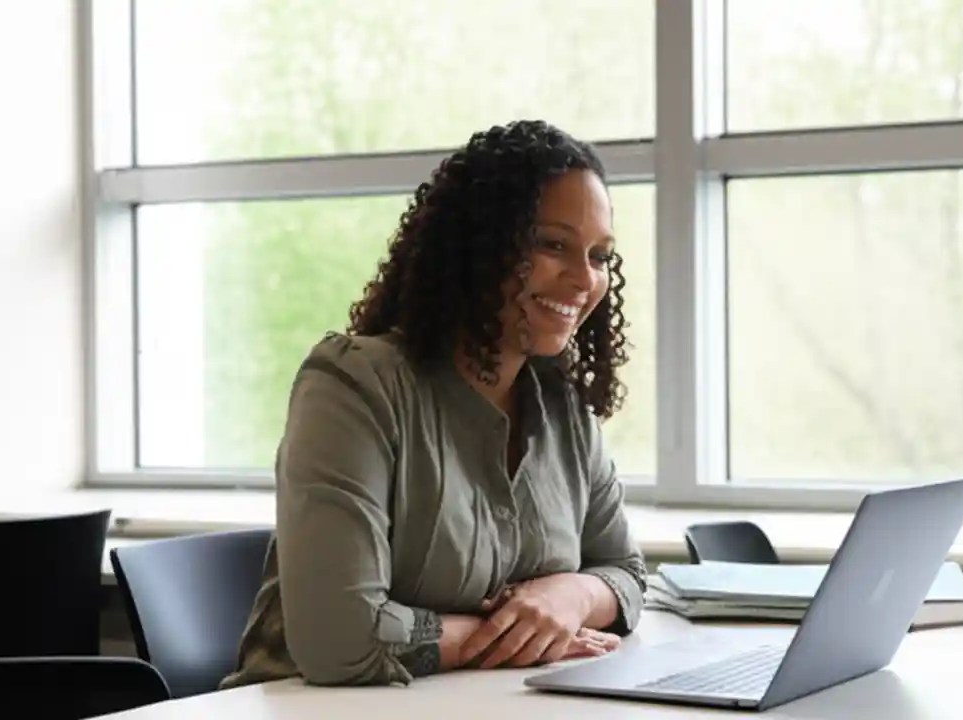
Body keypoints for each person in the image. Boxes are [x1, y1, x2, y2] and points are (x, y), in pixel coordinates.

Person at [221, 120, 647, 689]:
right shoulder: (353, 383)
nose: (583, 278)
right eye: (552, 244)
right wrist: (516, 638)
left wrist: (568, 596)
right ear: (480, 244)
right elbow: (338, 641)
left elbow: (627, 573)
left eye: (599, 255)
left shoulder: (562, 403)